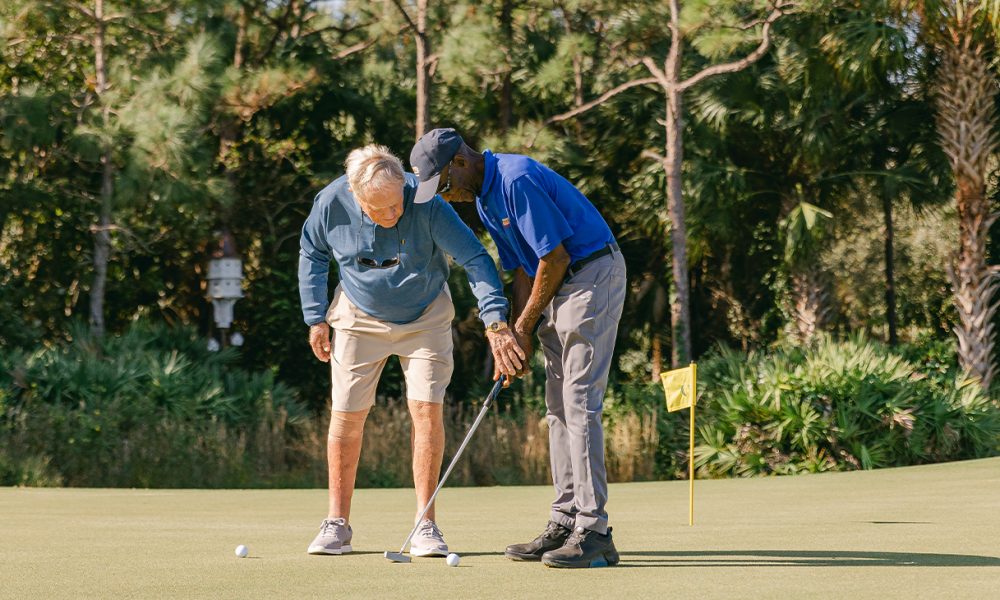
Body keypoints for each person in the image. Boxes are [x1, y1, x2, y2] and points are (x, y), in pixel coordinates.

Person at [409, 129, 627, 569]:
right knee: (557, 408)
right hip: (557, 286)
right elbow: (524, 271)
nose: (446, 198)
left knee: (580, 403)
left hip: (590, 276)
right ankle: (565, 520)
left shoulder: (516, 178)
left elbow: (556, 257)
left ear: (461, 161)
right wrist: (512, 336)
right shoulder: (487, 200)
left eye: (445, 186)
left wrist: (525, 326)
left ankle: (595, 531)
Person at [298, 144, 525, 557]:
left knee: (426, 410)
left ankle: (426, 526)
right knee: (346, 416)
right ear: (355, 195)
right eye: (379, 209)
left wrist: (495, 321)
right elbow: (312, 251)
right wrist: (315, 316)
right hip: (357, 313)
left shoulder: (425, 201)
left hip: (425, 314)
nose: (393, 215)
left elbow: (475, 258)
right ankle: (337, 524)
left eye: (396, 203)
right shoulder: (330, 202)